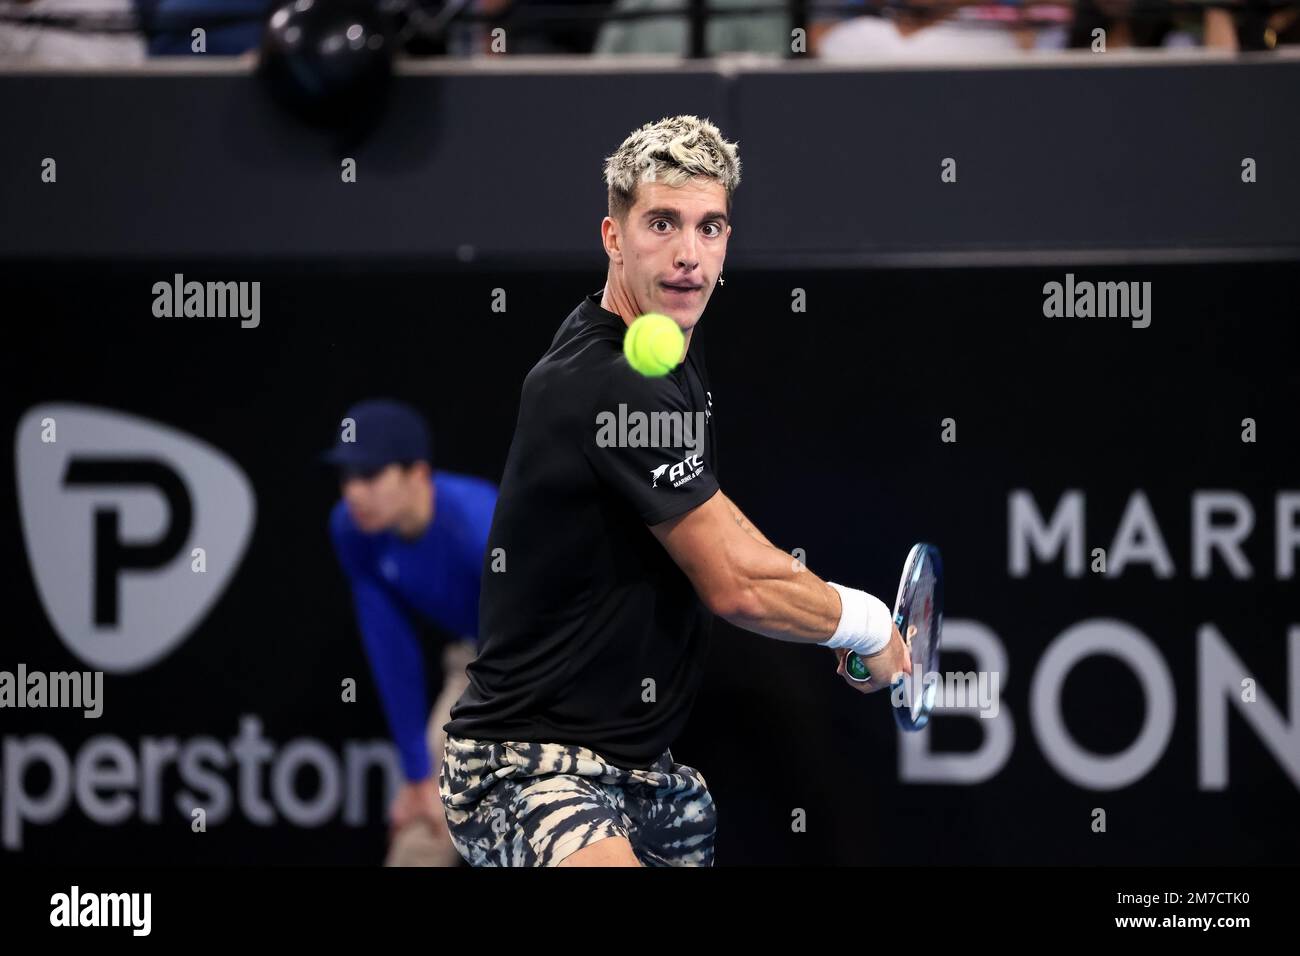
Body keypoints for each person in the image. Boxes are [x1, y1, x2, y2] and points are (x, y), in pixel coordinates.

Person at [439, 114, 912, 867]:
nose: (690, 255)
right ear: (612, 236)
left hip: (644, 777)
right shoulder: (611, 382)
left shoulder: (648, 351)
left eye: (710, 227)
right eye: (662, 223)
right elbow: (732, 584)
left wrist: (828, 601)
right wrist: (862, 622)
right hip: (524, 768)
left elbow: (717, 523)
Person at [325, 398, 497, 867]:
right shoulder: (352, 530)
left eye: (370, 476)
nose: (353, 494)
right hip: (480, 661)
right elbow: (390, 645)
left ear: (417, 473)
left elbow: (553, 622)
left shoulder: (477, 525)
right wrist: (420, 774)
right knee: (420, 825)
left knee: (563, 822)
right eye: (346, 478)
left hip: (568, 657)